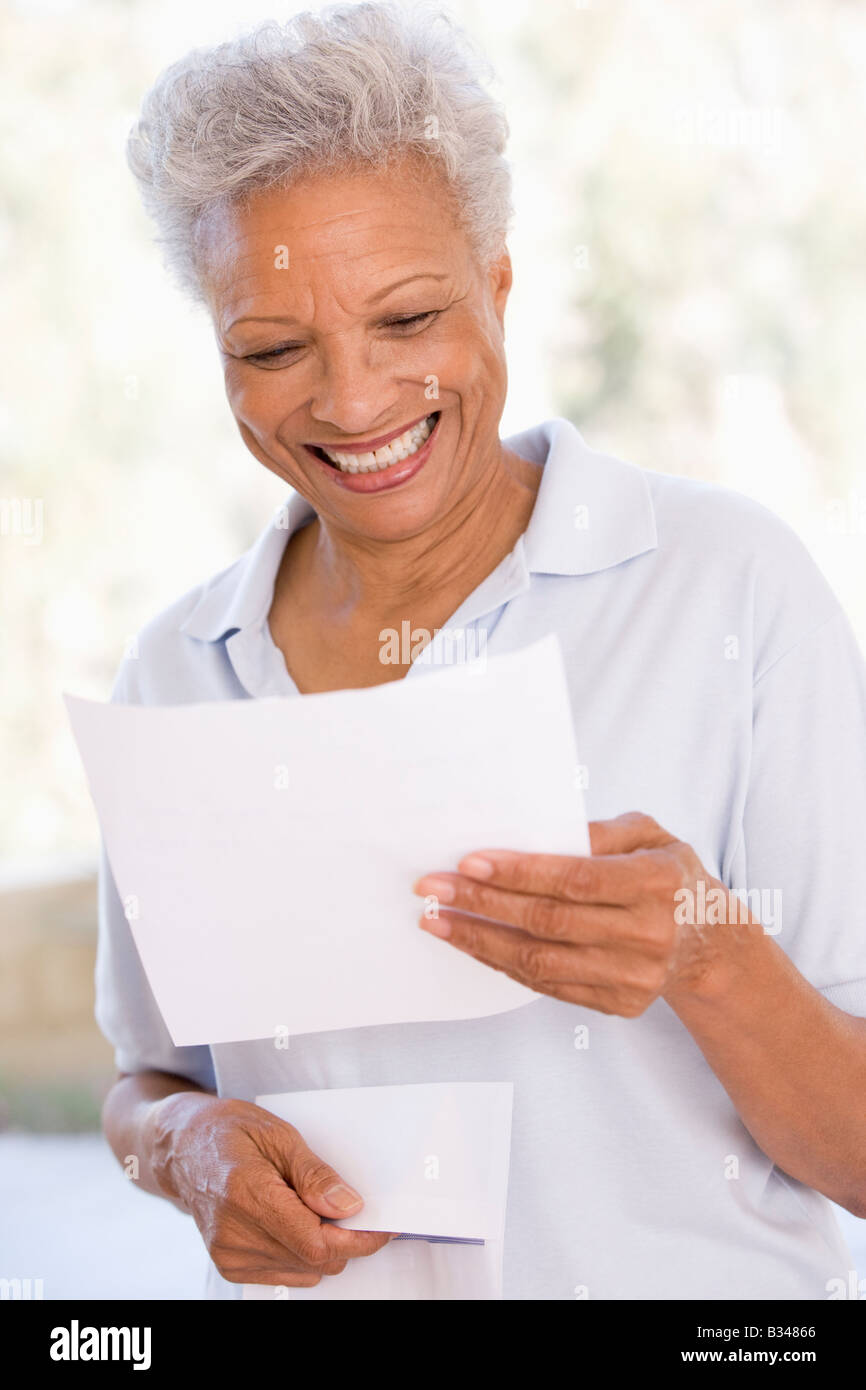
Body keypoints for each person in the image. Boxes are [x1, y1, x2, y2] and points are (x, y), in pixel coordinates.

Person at [97, 3, 866, 1299]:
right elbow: (148, 1078)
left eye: (405, 319)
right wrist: (184, 1146)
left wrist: (709, 955)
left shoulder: (727, 585)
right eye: (275, 348)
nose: (351, 401)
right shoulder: (177, 675)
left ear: (497, 283)